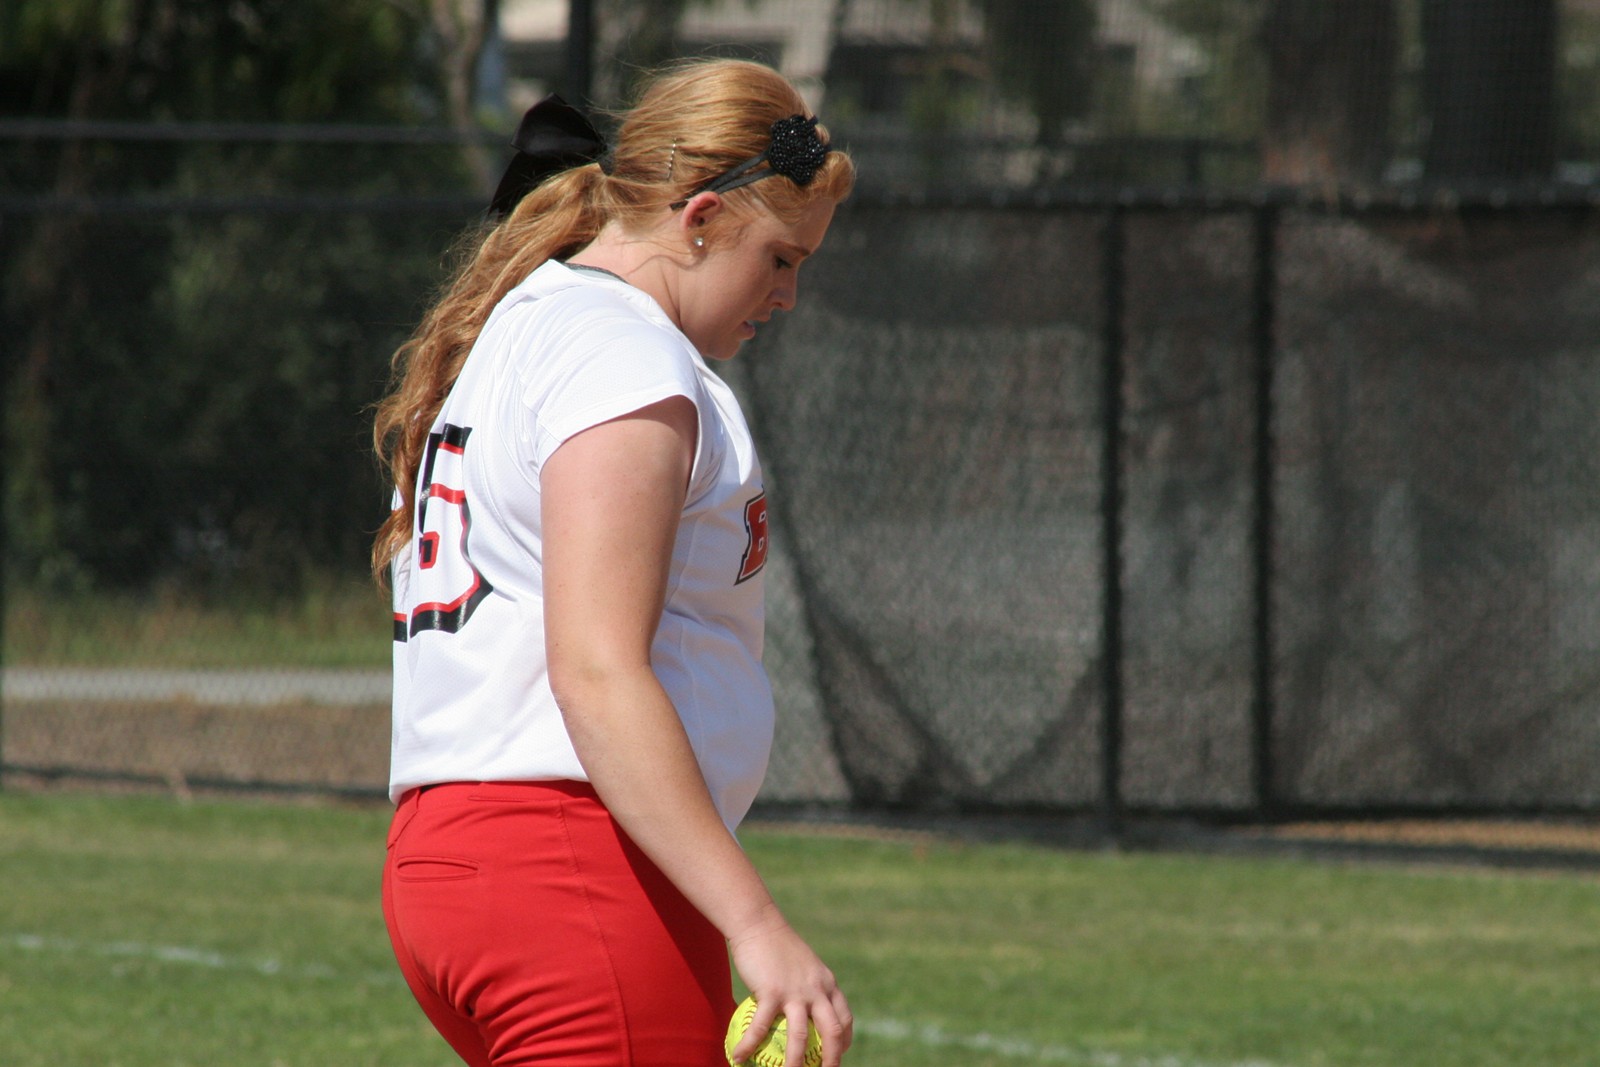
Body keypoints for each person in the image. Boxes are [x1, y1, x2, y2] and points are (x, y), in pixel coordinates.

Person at [369, 59, 855, 1067]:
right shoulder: (619, 354)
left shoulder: (530, 322)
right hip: (572, 864)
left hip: (458, 854)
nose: (790, 293)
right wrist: (755, 920)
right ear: (701, 218)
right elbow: (595, 668)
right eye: (777, 256)